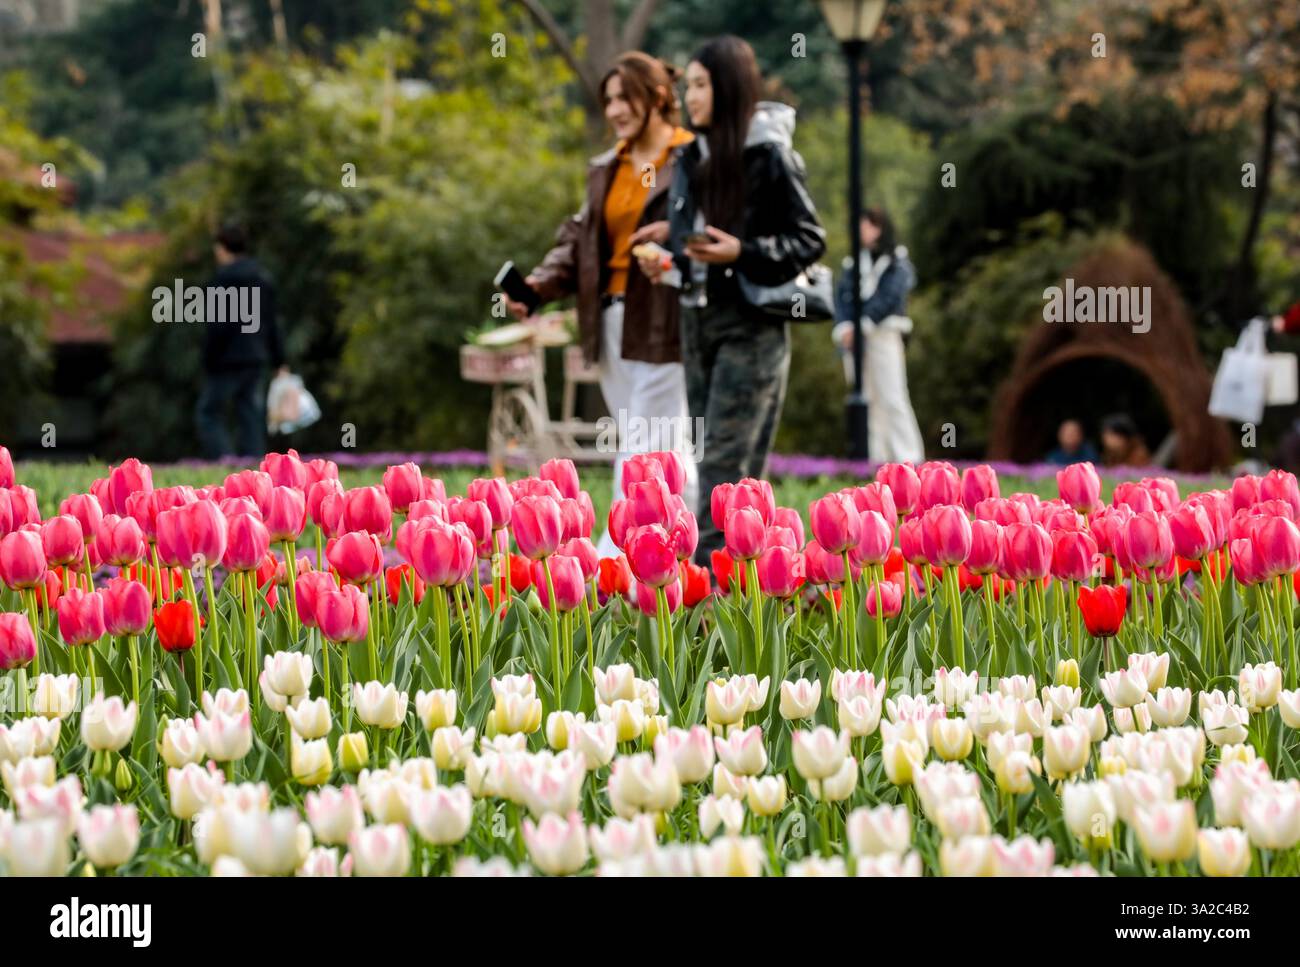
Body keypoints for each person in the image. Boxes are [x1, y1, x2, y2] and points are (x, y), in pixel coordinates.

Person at [639, 35, 825, 564]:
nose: (689, 97)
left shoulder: (768, 155)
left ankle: (708, 592)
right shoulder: (691, 156)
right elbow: (691, 241)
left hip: (752, 325)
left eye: (700, 84)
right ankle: (752, 590)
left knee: (723, 467)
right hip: (697, 323)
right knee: (720, 468)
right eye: (688, 85)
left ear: (729, 86)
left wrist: (741, 251)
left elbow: (809, 239)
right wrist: (668, 254)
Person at [507, 51, 698, 557]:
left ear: (657, 97)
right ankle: (691, 547)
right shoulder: (606, 167)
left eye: (624, 97)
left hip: (664, 314)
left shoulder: (691, 159)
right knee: (662, 444)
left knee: (643, 442)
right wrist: (539, 286)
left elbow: (708, 229)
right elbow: (578, 240)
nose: (614, 109)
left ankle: (618, 558)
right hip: (609, 318)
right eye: (608, 99)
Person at [831, 207, 924, 463]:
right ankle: (874, 458)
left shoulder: (897, 263)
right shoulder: (853, 264)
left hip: (883, 336)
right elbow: (841, 299)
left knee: (892, 395)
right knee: (866, 400)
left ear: (880, 227)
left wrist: (862, 324)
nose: (862, 230)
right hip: (853, 341)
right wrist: (846, 328)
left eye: (868, 224)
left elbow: (890, 297)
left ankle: (908, 459)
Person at [196, 222, 287, 460]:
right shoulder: (262, 279)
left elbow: (219, 327)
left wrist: (208, 358)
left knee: (209, 413)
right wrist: (280, 361)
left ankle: (224, 459)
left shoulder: (222, 281)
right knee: (250, 414)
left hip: (227, 359)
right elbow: (272, 324)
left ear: (222, 248)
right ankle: (254, 466)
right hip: (255, 357)